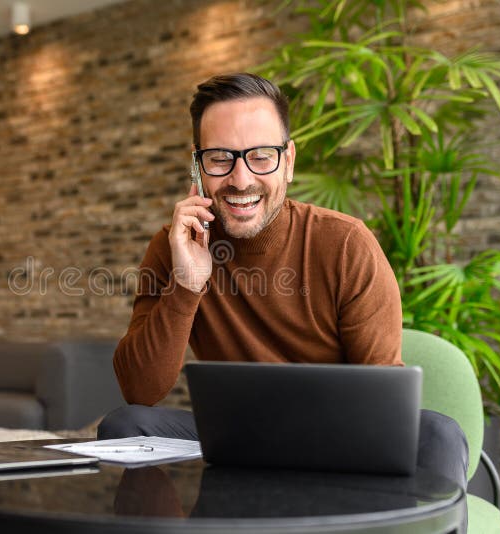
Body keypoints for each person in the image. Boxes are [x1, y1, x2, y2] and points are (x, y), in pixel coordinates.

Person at [98, 73, 468, 491]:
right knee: (127, 425)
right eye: (221, 158)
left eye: (261, 156)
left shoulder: (345, 243)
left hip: (339, 443)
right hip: (237, 437)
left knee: (437, 434)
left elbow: (383, 410)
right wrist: (186, 283)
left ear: (288, 161)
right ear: (197, 165)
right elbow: (140, 390)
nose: (240, 179)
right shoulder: (175, 246)